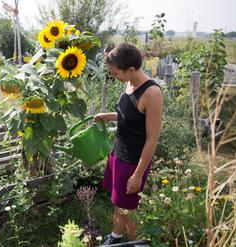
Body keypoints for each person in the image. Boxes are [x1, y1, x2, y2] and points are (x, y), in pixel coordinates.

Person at [94, 43, 163, 244]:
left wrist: (137, 174)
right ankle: (116, 237)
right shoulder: (129, 82)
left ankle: (138, 243)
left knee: (128, 209)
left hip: (134, 160)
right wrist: (107, 116)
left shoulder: (152, 93)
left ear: (131, 69)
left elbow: (152, 138)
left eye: (116, 73)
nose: (114, 77)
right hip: (119, 153)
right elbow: (131, 116)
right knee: (119, 202)